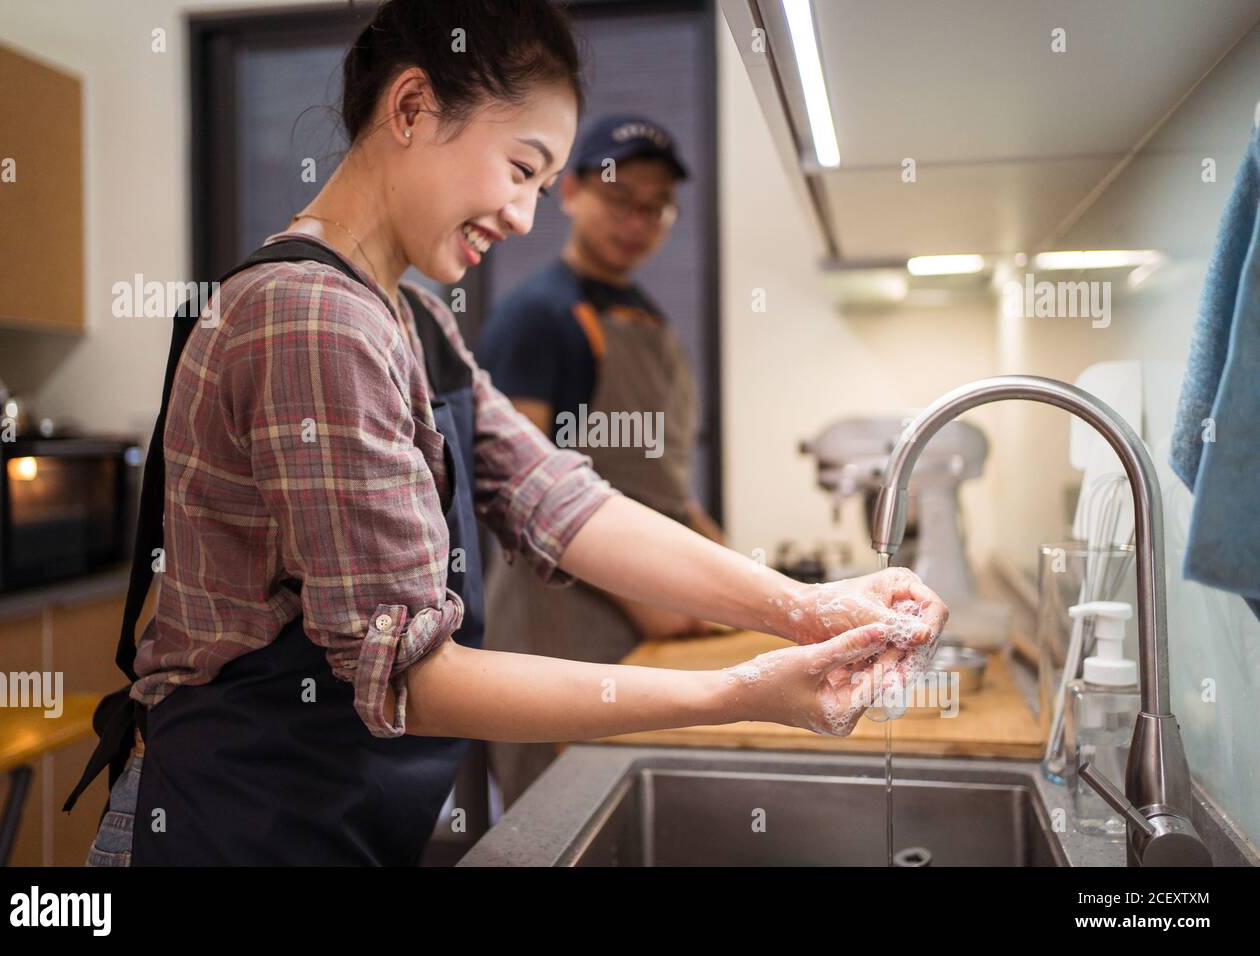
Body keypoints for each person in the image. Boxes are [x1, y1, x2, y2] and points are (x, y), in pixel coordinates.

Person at [65, 0, 947, 866]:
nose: (527, 215)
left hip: (322, 820)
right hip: (232, 824)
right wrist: (739, 691)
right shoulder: (312, 319)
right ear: (411, 108)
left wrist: (804, 609)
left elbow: (560, 499)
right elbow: (413, 676)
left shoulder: (406, 315)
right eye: (522, 168)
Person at [476, 115, 728, 805]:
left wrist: (734, 572)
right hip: (558, 615)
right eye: (621, 199)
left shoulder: (646, 315)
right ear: (572, 193)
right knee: (559, 812)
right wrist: (646, 599)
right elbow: (518, 492)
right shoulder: (537, 316)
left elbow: (663, 487)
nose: (638, 221)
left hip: (644, 603)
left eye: (656, 208)